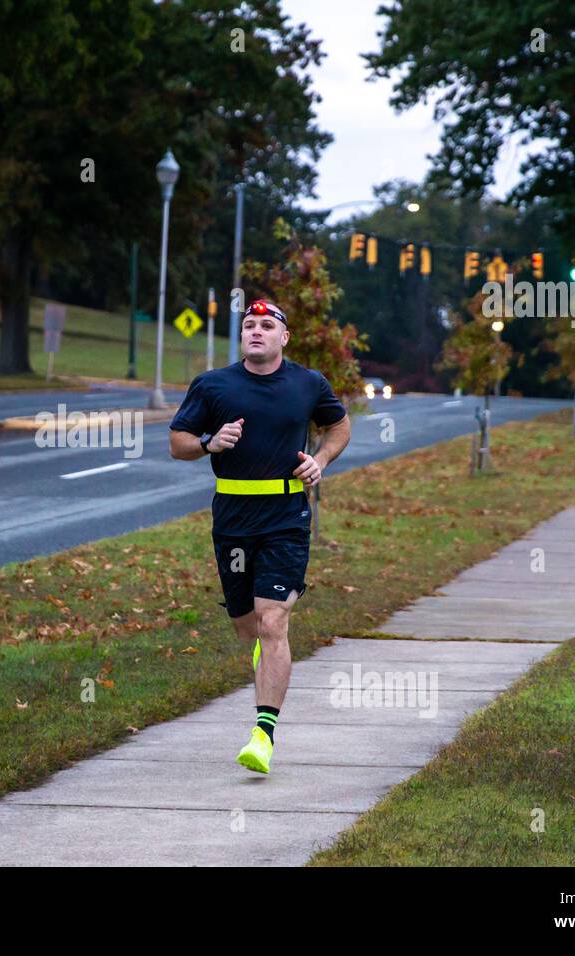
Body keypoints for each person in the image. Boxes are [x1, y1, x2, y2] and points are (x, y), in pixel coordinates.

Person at [168, 299, 351, 773]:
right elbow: (178, 443)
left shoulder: (309, 383)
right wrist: (209, 443)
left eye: (267, 326)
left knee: (273, 621)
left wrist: (322, 460)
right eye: (249, 325)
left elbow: (338, 425)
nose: (256, 331)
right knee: (247, 624)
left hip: (287, 515)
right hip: (232, 515)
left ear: (283, 338)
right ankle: (262, 647)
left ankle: (262, 734)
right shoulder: (213, 385)